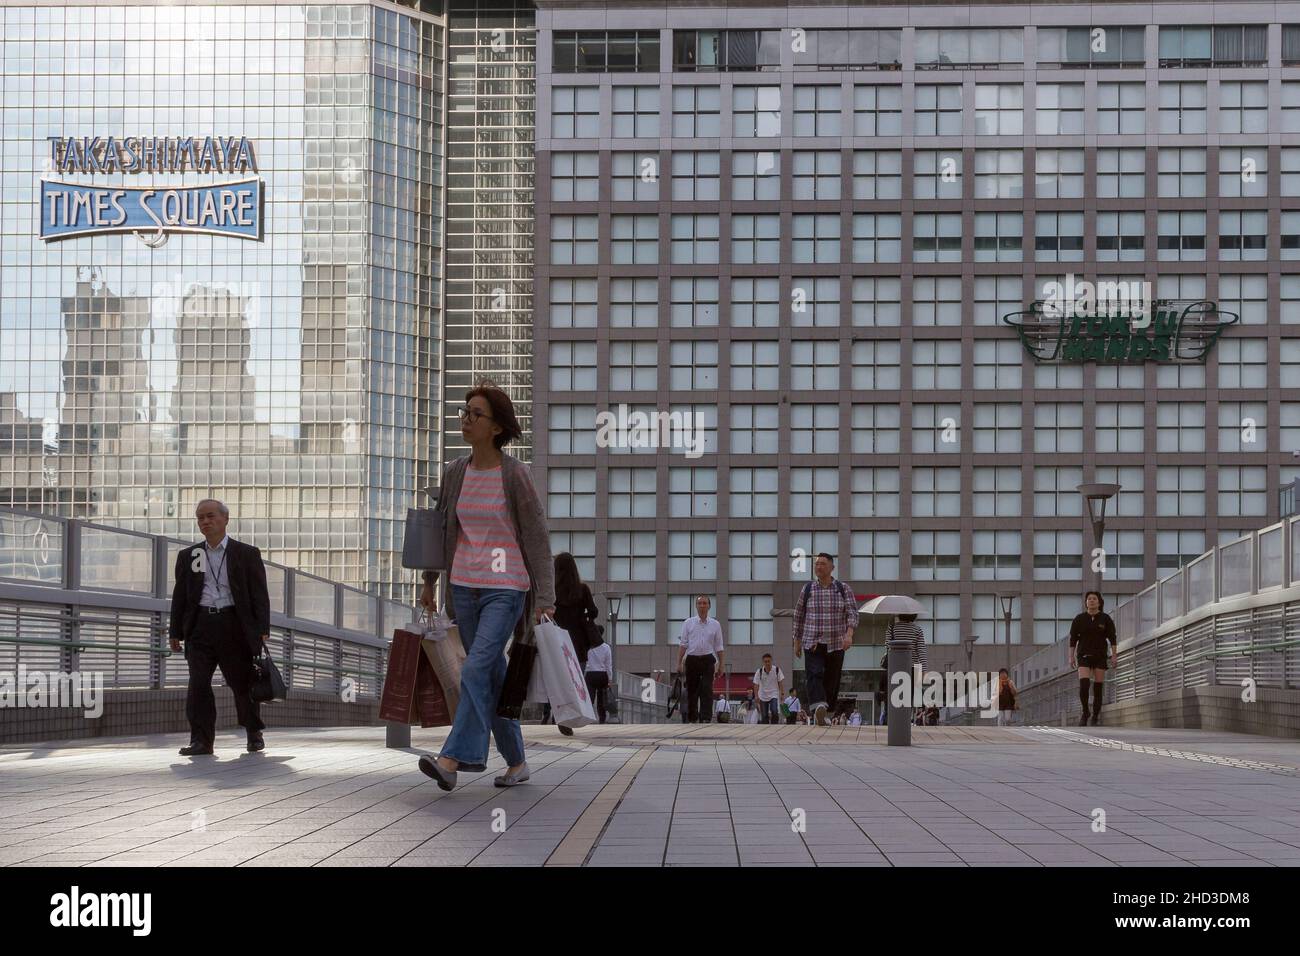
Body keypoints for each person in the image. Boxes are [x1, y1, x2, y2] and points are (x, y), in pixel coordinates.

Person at [417, 380, 555, 791]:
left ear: (496, 427)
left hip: (506, 587)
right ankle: (516, 761)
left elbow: (536, 537)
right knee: (490, 675)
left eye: (476, 414)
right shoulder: (455, 472)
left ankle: (453, 759)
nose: (466, 419)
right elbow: (442, 530)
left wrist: (544, 598)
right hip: (463, 586)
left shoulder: (515, 475)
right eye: (465, 412)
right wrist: (429, 581)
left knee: (475, 669)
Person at [169, 498, 271, 756]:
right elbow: (180, 595)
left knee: (242, 684)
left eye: (211, 516)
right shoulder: (191, 555)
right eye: (200, 517)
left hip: (234, 625)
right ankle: (201, 740)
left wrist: (262, 628)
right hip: (200, 627)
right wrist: (175, 631)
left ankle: (253, 731)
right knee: (198, 684)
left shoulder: (246, 553)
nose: (205, 521)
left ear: (226, 519)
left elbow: (259, 594)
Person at [791, 553, 859, 726]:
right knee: (814, 674)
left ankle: (825, 712)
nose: (818, 567)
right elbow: (798, 616)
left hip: (836, 642)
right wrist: (797, 641)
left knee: (832, 679)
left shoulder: (843, 589)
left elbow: (852, 613)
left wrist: (849, 634)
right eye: (816, 564)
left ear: (832, 567)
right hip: (812, 641)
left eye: (822, 564)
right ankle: (819, 706)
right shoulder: (808, 589)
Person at [552, 551, 600, 735]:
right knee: (576, 679)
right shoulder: (582, 589)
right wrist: (582, 617)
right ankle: (574, 714)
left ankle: (560, 716)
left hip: (558, 640)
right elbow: (594, 612)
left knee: (559, 681)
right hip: (579, 642)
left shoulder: (552, 590)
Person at [1069, 590, 1118, 726]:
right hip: (1083, 655)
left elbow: (1113, 638)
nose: (1091, 601)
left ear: (1099, 602)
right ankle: (1085, 712)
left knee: (1098, 687)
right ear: (1086, 602)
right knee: (1084, 684)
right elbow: (1073, 639)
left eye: (1094, 599)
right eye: (1089, 599)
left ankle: (1095, 715)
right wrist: (1071, 657)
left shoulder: (1105, 619)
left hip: (1100, 656)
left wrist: (1114, 656)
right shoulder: (1079, 619)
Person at [676, 595, 725, 723]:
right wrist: (679, 662)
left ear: (709, 606)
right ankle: (692, 717)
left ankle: (706, 717)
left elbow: (719, 646)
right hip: (692, 659)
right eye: (700, 603)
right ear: (696, 606)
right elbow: (683, 644)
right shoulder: (688, 623)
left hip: (708, 659)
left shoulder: (715, 624)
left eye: (705, 603)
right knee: (692, 689)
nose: (702, 606)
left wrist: (721, 665)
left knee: (707, 688)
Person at [584, 636, 613, 724]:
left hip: (590, 674)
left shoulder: (588, 646)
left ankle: (588, 718)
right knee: (601, 698)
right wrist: (610, 678)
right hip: (602, 674)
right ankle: (602, 718)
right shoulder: (606, 647)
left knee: (589, 698)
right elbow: (608, 665)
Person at [751, 653, 785, 724]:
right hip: (763, 695)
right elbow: (756, 685)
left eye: (768, 661)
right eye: (765, 661)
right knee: (764, 716)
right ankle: (766, 729)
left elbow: (780, 682)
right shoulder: (759, 672)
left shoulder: (777, 670)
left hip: (774, 694)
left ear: (771, 661)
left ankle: (774, 726)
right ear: (763, 662)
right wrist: (756, 696)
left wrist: (782, 693)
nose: (767, 663)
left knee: (774, 711)